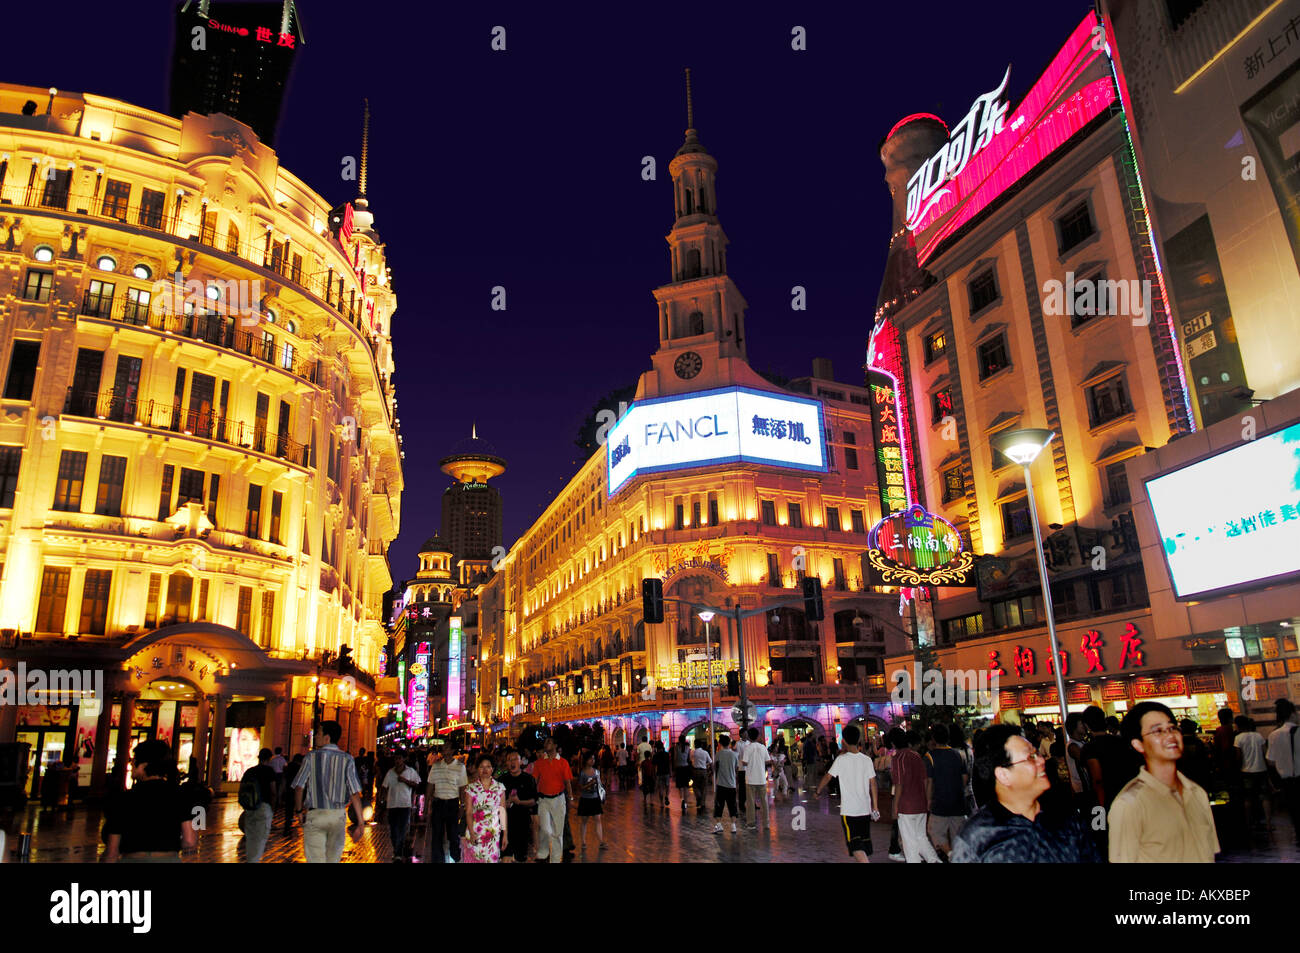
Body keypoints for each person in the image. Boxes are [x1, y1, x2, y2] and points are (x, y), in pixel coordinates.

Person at [952, 724, 1099, 863]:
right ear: (1004, 775)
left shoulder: (1064, 817)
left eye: (1037, 754)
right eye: (1031, 757)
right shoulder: (978, 837)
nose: (1041, 760)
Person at [1108, 702, 1219, 863]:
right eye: (1158, 731)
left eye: (1172, 728)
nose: (1170, 736)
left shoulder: (1197, 793)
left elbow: (1210, 855)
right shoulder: (1129, 804)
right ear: (1138, 744)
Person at [102, 739, 198, 863]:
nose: (131, 764)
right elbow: (190, 841)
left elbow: (112, 851)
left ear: (143, 765)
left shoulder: (123, 799)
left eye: (134, 761)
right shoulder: (179, 796)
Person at [291, 722, 364, 863]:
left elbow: (299, 786)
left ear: (327, 738)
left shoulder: (310, 757)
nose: (315, 736)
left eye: (318, 733)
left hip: (315, 815)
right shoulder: (347, 759)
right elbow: (354, 792)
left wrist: (299, 811)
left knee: (315, 859)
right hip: (337, 816)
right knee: (333, 859)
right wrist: (360, 822)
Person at [817, 724, 880, 863]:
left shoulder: (841, 759)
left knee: (854, 845)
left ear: (844, 740)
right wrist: (875, 806)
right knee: (862, 843)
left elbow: (828, 776)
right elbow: (873, 783)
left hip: (849, 811)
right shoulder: (866, 759)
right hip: (865, 809)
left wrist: (818, 790)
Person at [889, 728, 940, 863]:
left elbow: (899, 784)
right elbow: (925, 780)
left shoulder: (898, 758)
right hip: (920, 804)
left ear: (893, 743)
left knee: (909, 842)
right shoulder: (916, 755)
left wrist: (895, 807)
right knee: (921, 837)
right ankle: (934, 860)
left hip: (906, 806)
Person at [1081, 705, 1139, 812]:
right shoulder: (1120, 742)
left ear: (1087, 725)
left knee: (1102, 827)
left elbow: (1098, 780)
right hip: (1127, 794)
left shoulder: (1090, 748)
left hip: (1106, 798)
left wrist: (1101, 807)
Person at [924, 724, 968, 859]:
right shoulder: (959, 754)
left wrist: (928, 800)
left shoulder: (930, 756)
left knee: (934, 831)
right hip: (959, 802)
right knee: (958, 836)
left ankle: (950, 854)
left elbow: (929, 782)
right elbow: (965, 778)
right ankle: (958, 857)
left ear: (933, 738)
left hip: (940, 802)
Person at [532, 737, 575, 863]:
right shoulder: (539, 763)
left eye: (549, 742)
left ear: (555, 745)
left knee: (558, 832)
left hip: (559, 799)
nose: (546, 744)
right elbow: (534, 780)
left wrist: (571, 798)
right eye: (545, 742)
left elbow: (567, 782)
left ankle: (555, 859)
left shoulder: (563, 762)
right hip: (543, 799)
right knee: (545, 828)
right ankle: (543, 853)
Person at [1265, 698, 1300, 846]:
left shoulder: (1273, 735)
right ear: (1292, 714)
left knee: (1295, 814)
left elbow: (1270, 761)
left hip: (1287, 783)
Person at [462, 754, 508, 863]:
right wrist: (472, 833)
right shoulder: (471, 788)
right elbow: (468, 812)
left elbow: (502, 811)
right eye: (481, 767)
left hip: (493, 834)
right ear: (477, 769)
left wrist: (505, 835)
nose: (485, 769)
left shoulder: (500, 787)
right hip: (475, 833)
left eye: (488, 766)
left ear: (492, 769)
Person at [427, 743, 468, 864]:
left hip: (452, 804)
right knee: (436, 835)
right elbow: (430, 785)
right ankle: (437, 860)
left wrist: (462, 805)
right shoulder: (436, 766)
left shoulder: (460, 767)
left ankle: (455, 857)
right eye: (443, 749)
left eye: (447, 749)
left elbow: (462, 787)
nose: (445, 752)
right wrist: (426, 807)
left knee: (454, 834)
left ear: (452, 750)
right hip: (438, 803)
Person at [238, 748, 277, 863]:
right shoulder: (269, 771)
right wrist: (273, 809)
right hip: (264, 807)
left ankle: (251, 859)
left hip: (250, 808)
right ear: (269, 758)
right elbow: (273, 792)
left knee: (250, 838)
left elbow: (241, 790)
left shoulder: (249, 771)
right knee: (260, 840)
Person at [381, 750, 422, 862]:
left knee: (402, 829)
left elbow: (417, 783)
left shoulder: (410, 771)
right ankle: (396, 849)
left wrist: (405, 781)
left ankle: (398, 853)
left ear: (404, 759)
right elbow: (384, 786)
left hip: (405, 805)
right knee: (394, 830)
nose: (397, 761)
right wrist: (383, 799)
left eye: (399, 758)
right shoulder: (390, 772)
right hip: (392, 805)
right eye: (395, 759)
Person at [1233, 716, 1270, 834]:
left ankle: (1249, 824)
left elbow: (1238, 757)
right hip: (1261, 769)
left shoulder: (1238, 738)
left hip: (1246, 771)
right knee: (1265, 797)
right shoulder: (1258, 736)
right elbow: (1265, 752)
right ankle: (1268, 823)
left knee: (1248, 798)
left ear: (1238, 725)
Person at [500, 751, 538, 863]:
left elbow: (533, 801)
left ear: (521, 761)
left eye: (515, 759)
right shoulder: (502, 780)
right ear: (506, 763)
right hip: (505, 825)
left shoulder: (529, 779)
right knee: (506, 857)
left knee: (520, 858)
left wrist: (519, 802)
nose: (512, 762)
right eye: (509, 759)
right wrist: (505, 803)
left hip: (523, 823)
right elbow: (496, 802)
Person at [740, 727, 769, 829]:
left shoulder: (748, 748)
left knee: (751, 802)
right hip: (761, 778)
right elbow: (767, 761)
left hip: (750, 779)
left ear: (749, 736)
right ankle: (766, 823)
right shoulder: (763, 747)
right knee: (764, 801)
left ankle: (751, 823)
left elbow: (745, 762)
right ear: (758, 736)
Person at [577, 753, 606, 850]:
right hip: (585, 799)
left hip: (595, 798)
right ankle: (583, 842)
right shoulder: (582, 773)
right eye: (590, 759)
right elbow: (581, 787)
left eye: (593, 759)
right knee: (584, 820)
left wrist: (602, 795)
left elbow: (599, 785)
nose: (592, 761)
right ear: (586, 761)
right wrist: (590, 784)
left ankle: (601, 841)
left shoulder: (597, 772)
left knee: (598, 819)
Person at [712, 735, 740, 834]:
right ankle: (733, 826)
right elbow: (737, 768)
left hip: (721, 784)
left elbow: (714, 768)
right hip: (732, 784)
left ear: (720, 744)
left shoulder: (718, 754)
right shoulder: (735, 755)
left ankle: (719, 825)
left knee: (719, 806)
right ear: (729, 743)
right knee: (732, 806)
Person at [691, 737, 713, 813]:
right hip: (703, 771)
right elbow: (710, 762)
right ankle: (702, 803)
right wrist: (712, 771)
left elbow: (691, 761)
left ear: (694, 744)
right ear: (701, 745)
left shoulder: (692, 752)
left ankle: (698, 797)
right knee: (704, 788)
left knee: (695, 786)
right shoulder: (705, 753)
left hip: (695, 771)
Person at [673, 738, 692, 811]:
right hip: (686, 768)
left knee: (680, 787)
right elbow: (689, 759)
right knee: (686, 787)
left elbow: (675, 758)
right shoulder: (687, 748)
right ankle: (686, 804)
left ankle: (682, 800)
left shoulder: (676, 747)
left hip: (679, 768)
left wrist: (674, 769)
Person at [653, 741, 671, 807]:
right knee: (667, 786)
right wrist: (670, 772)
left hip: (659, 773)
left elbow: (654, 766)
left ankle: (661, 804)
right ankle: (666, 796)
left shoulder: (655, 756)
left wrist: (654, 774)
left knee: (660, 788)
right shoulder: (666, 754)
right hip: (666, 772)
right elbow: (669, 763)